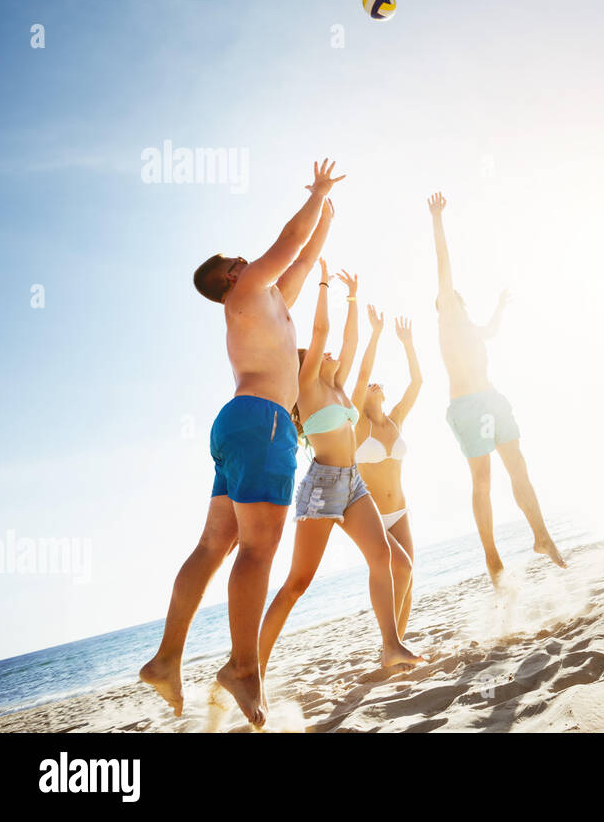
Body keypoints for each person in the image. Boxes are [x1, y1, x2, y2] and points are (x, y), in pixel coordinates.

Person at [139, 159, 341, 728]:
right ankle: (243, 669)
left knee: (215, 545)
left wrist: (326, 211)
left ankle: (166, 659)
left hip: (240, 424)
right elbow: (289, 239)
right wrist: (317, 192)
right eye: (235, 261)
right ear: (229, 278)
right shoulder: (248, 289)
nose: (245, 260)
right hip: (262, 424)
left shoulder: (268, 300)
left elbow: (302, 254)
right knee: (257, 551)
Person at [258, 261, 424, 674]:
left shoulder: (337, 388)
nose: (331, 356)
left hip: (351, 484)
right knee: (298, 582)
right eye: (319, 357)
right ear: (305, 366)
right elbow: (320, 335)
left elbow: (349, 345)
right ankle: (250, 664)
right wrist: (323, 283)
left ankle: (391, 646)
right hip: (322, 486)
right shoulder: (309, 385)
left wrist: (352, 298)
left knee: (393, 559)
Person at [426, 191, 566, 585]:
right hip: (468, 407)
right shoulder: (448, 320)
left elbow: (491, 330)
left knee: (518, 467)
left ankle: (541, 535)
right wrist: (437, 220)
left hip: (491, 399)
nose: (446, 297)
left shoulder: (471, 328)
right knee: (483, 480)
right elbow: (443, 266)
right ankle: (492, 557)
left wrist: (501, 308)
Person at [351, 307, 424, 638]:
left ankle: (399, 648)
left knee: (408, 576)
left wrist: (407, 343)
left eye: (376, 384)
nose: (373, 384)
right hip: (375, 516)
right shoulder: (359, 425)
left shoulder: (395, 418)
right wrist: (376, 333)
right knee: (398, 569)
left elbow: (417, 381)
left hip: (401, 511)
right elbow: (363, 373)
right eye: (368, 386)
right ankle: (389, 644)